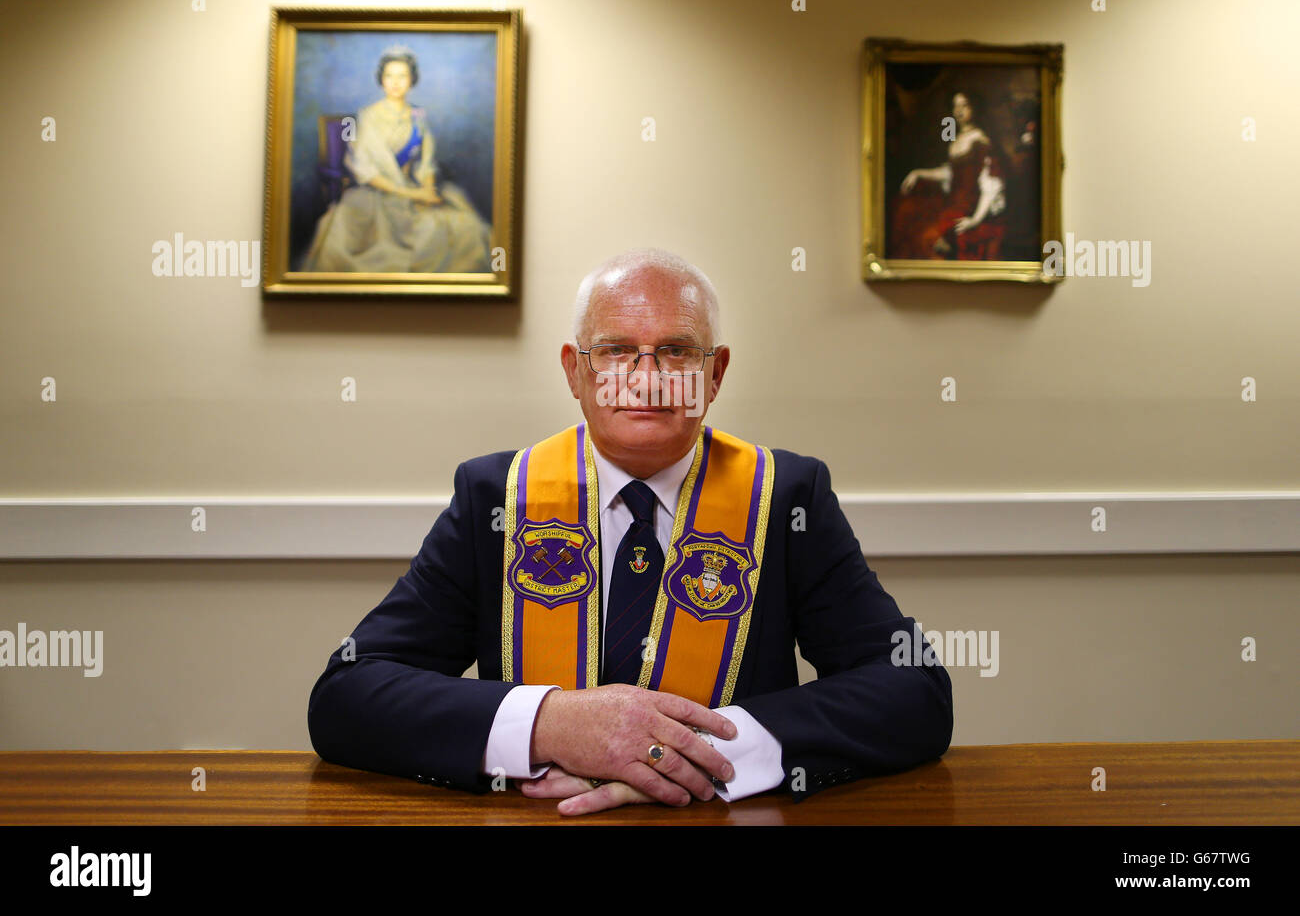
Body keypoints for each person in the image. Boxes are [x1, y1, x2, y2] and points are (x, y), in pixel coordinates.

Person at [307, 248, 953, 815]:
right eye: (616, 350)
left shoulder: (785, 498)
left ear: (716, 373)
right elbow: (347, 692)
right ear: (574, 371)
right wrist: (547, 724)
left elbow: (915, 688)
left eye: (675, 351)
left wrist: (698, 751)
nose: (645, 378)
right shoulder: (496, 498)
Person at [299, 45, 492, 274]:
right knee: (348, 233)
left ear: (412, 80)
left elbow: (425, 161)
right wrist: (412, 194)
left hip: (413, 190)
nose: (395, 82)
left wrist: (427, 190)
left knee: (466, 227)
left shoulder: (418, 116)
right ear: (381, 80)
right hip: (374, 193)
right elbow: (363, 168)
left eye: (402, 76)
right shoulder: (367, 116)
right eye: (389, 76)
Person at [891, 91, 1008, 260]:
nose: (959, 111)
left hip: (971, 205)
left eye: (965, 105)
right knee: (907, 211)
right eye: (956, 105)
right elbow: (951, 173)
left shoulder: (981, 141)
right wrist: (918, 173)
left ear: (975, 108)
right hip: (955, 202)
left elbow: (991, 183)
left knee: (932, 238)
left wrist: (975, 219)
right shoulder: (956, 140)